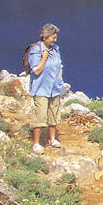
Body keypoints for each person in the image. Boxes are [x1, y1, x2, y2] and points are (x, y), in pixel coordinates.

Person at [28, 23, 64, 153]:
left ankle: (52, 139)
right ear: (44, 37)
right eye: (52, 37)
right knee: (40, 115)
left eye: (55, 37)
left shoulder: (55, 48)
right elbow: (36, 71)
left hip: (54, 88)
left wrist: (60, 80)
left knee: (53, 113)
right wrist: (43, 57)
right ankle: (36, 143)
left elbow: (59, 65)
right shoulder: (36, 50)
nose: (55, 40)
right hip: (41, 88)